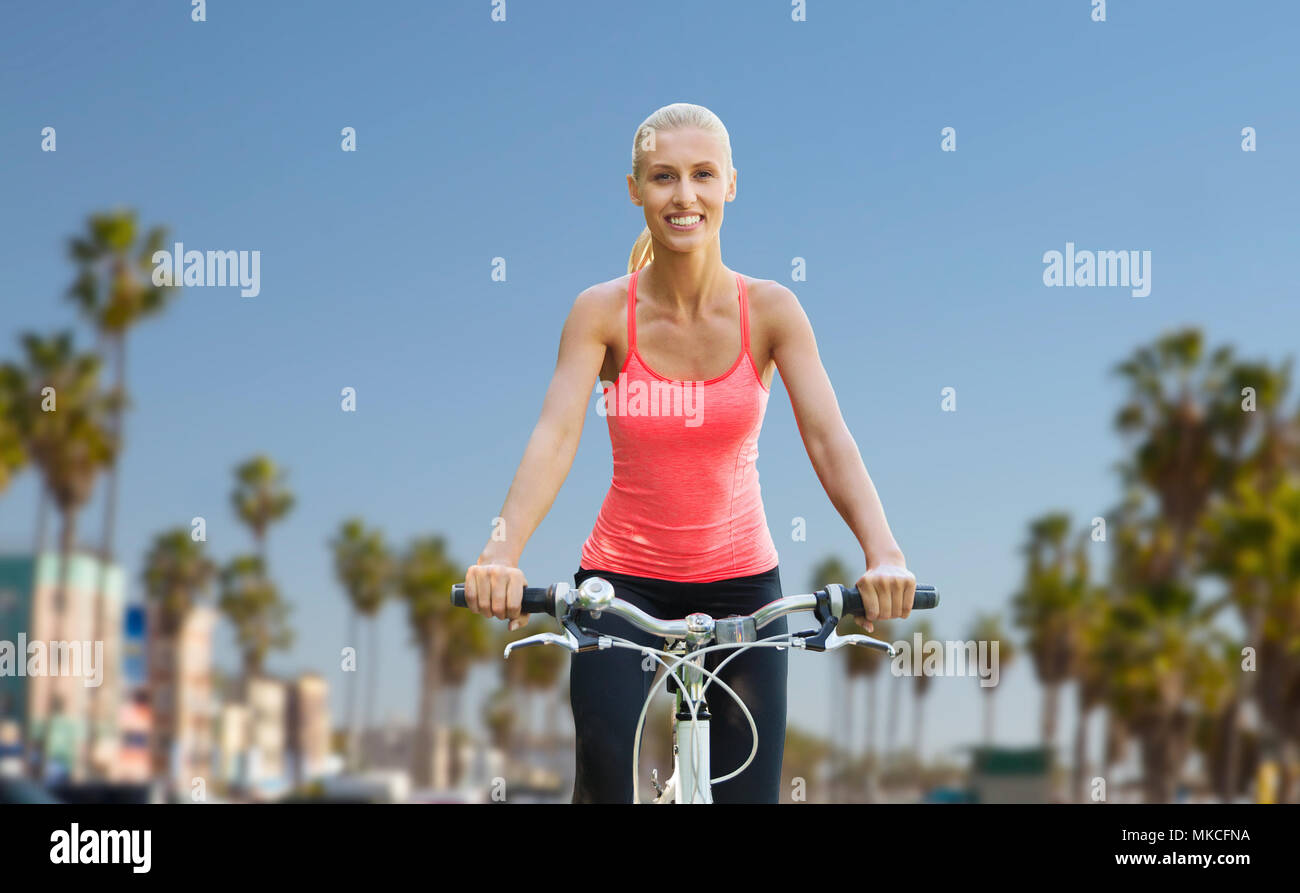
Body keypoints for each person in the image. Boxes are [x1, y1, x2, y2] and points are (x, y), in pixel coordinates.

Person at [463, 102, 916, 803]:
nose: (685, 196)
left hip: (743, 589)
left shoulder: (771, 310)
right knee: (605, 780)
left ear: (731, 183)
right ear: (635, 189)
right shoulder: (601, 312)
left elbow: (829, 438)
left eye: (703, 174)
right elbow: (555, 435)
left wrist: (883, 553)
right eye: (663, 176)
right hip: (621, 586)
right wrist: (502, 551)